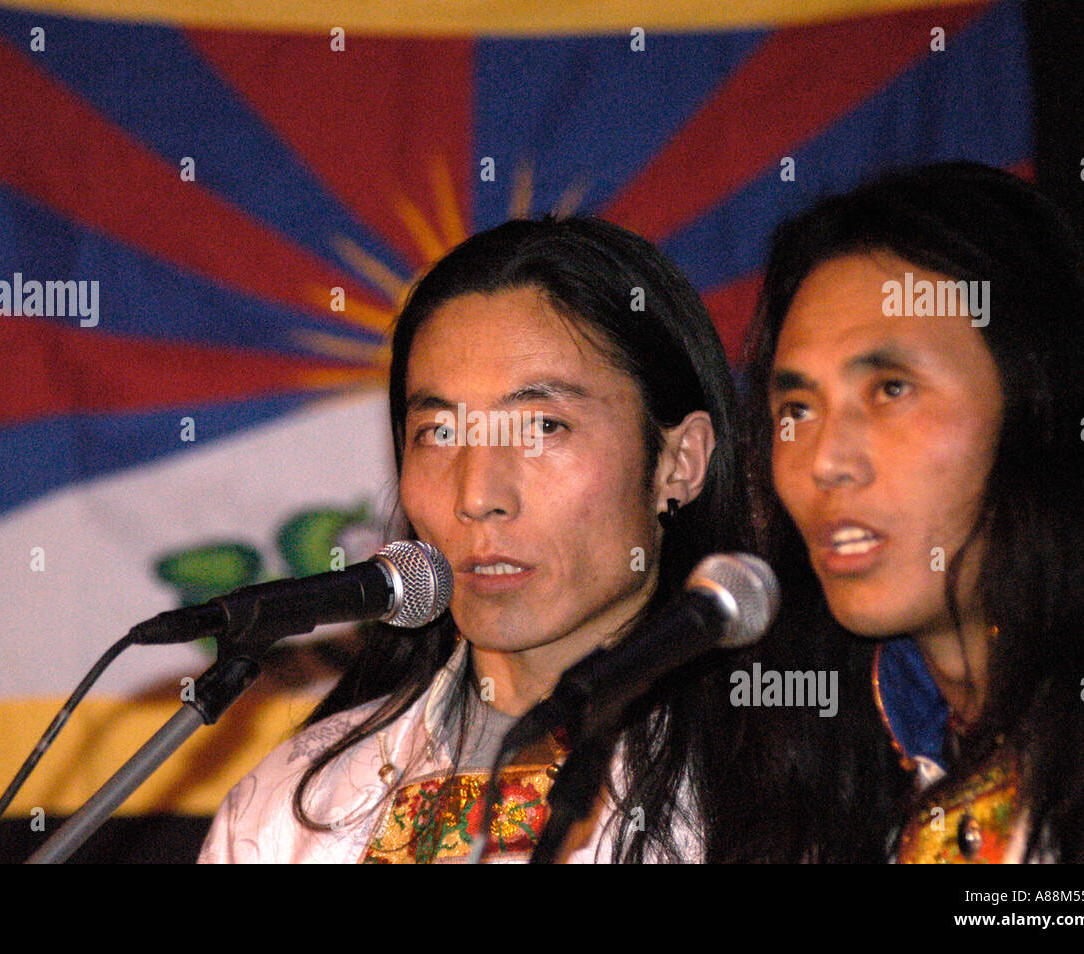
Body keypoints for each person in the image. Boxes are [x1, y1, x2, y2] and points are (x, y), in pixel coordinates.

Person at [199, 216, 751, 863]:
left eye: (542, 426)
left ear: (677, 462)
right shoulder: (289, 813)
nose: (476, 494)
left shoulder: (785, 788)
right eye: (437, 433)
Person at [703, 161, 1084, 862]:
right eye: (797, 408)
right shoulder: (813, 758)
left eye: (891, 390)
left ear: (1043, 404)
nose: (825, 460)